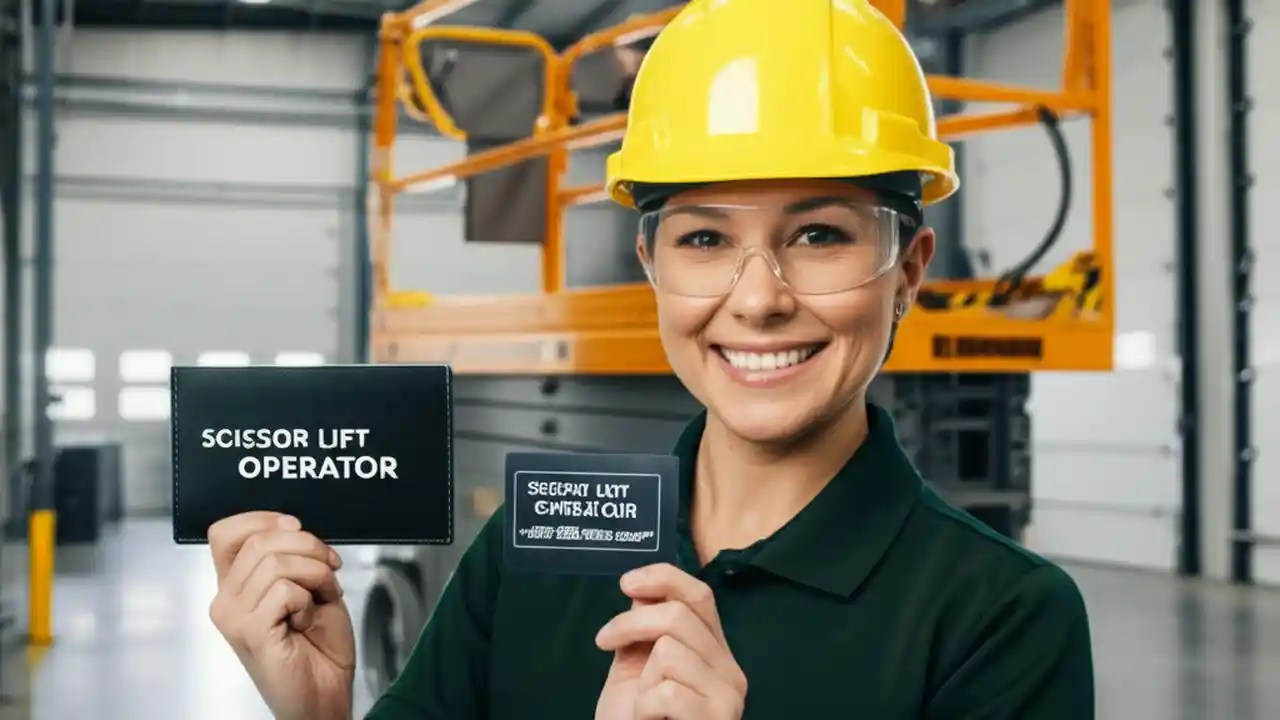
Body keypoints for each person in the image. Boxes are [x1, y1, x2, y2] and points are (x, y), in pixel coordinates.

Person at [205, 1, 1095, 718]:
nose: (757, 299)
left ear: (908, 272)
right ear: (651, 268)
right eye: (705, 238)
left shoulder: (1003, 619)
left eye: (820, 235)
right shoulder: (531, 552)